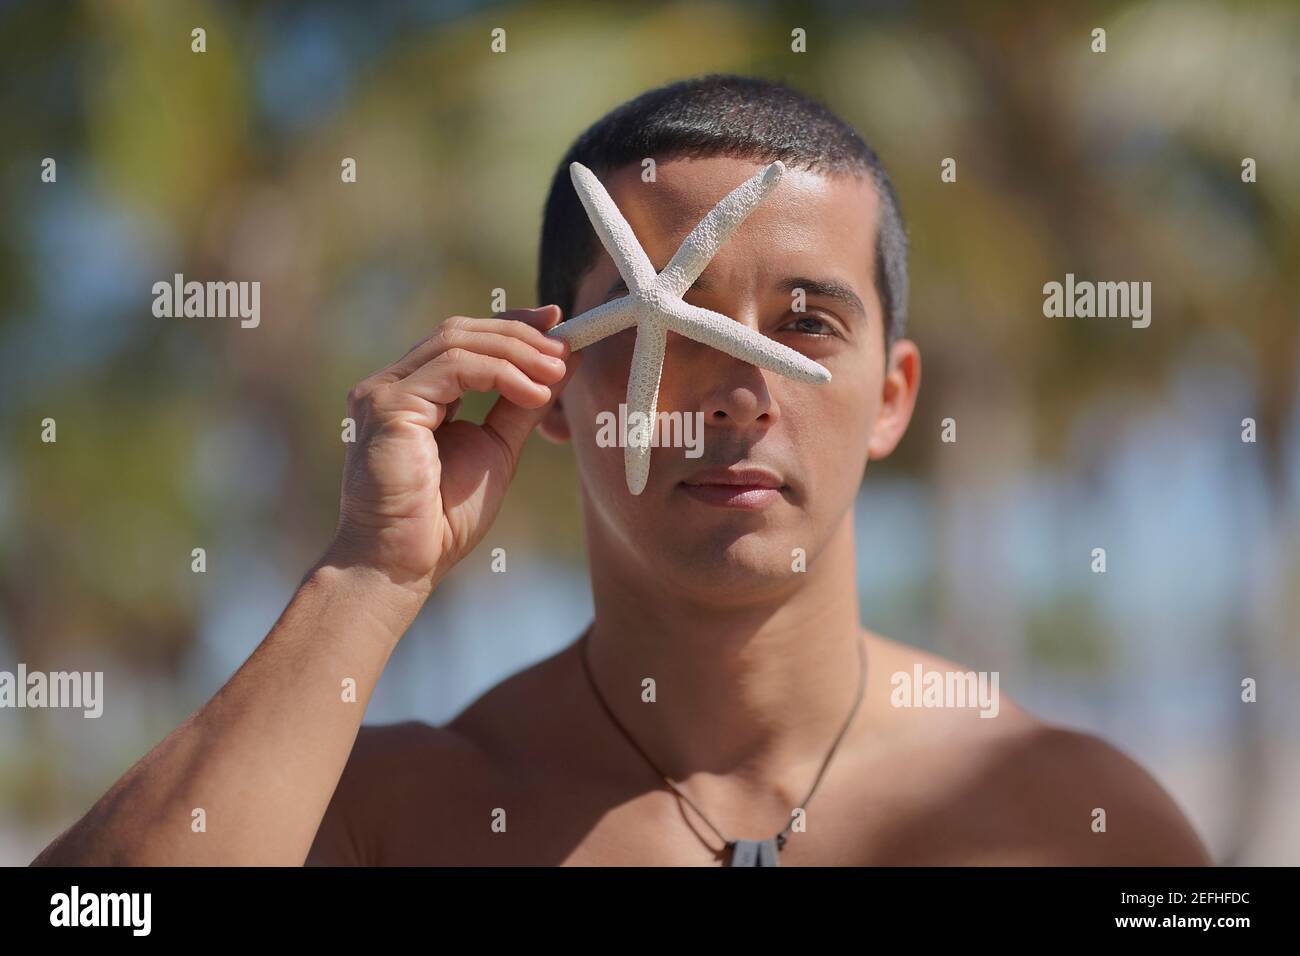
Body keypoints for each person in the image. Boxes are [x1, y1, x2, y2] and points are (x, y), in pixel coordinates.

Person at [32, 74, 1211, 866]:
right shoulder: (394, 821)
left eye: (803, 325)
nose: (735, 387)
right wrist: (368, 574)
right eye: (664, 325)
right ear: (551, 383)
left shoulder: (1074, 816)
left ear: (892, 395)